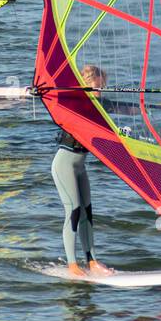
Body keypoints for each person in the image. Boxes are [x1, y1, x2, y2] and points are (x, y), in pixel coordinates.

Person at [51, 63, 119, 279]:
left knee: (87, 212)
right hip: (64, 164)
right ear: (87, 84)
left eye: (102, 87)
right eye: (97, 86)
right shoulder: (75, 101)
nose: (100, 90)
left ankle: (92, 261)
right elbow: (55, 98)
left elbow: (127, 107)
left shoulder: (100, 104)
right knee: (73, 210)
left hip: (80, 166)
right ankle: (72, 264)